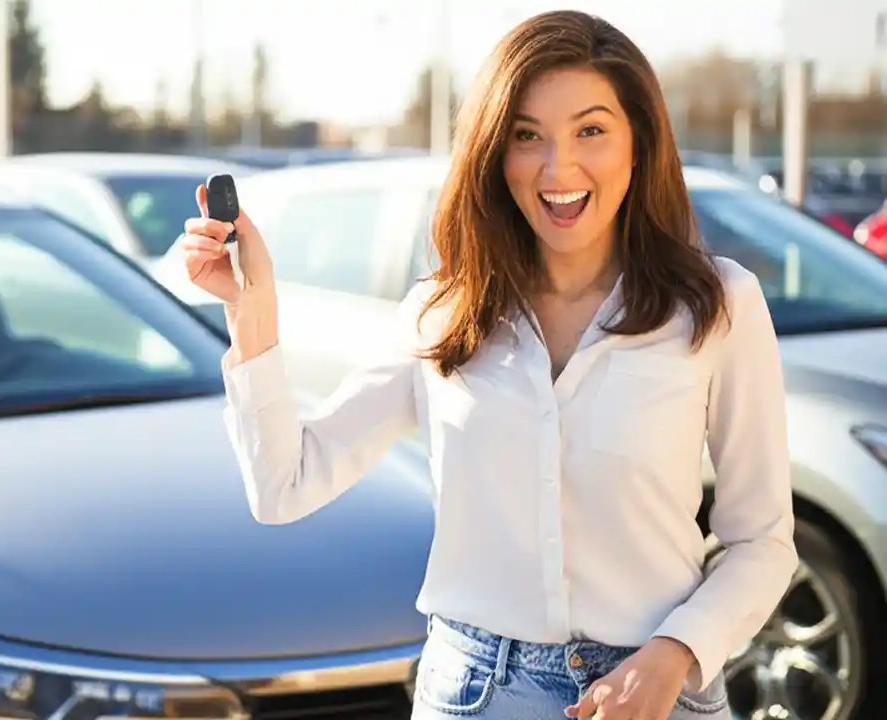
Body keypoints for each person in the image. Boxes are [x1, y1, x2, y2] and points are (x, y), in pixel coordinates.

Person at [178, 10, 798, 720]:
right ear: (495, 154)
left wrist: (676, 652)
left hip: (658, 691)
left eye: (590, 131)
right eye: (527, 136)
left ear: (640, 143)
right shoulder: (441, 313)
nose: (558, 169)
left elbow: (763, 542)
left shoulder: (719, 305)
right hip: (477, 694)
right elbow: (283, 487)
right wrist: (251, 311)